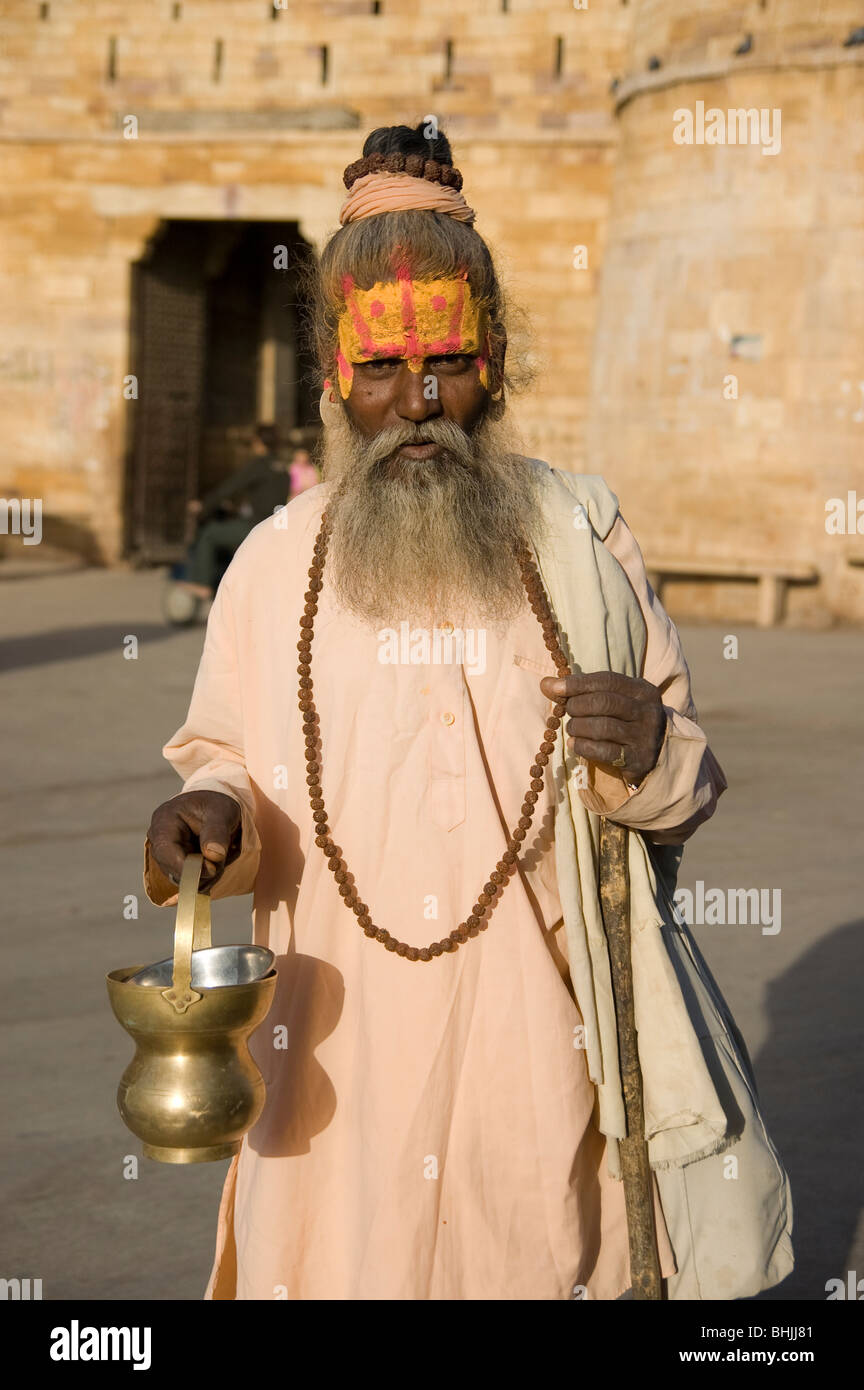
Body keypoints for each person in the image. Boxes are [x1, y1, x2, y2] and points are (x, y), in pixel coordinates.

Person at [144, 123, 793, 1300]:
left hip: (542, 1073)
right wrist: (207, 808)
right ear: (337, 372)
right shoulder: (274, 564)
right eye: (384, 368)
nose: (418, 400)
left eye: (446, 360)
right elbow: (225, 754)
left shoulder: (581, 538)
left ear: (493, 359)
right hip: (333, 1072)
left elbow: (687, 780)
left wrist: (648, 748)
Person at [182, 423, 290, 598]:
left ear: (258, 443)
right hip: (274, 526)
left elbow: (229, 488)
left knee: (210, 534)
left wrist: (203, 505)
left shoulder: (259, 465)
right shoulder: (282, 468)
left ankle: (201, 584)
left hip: (255, 526)